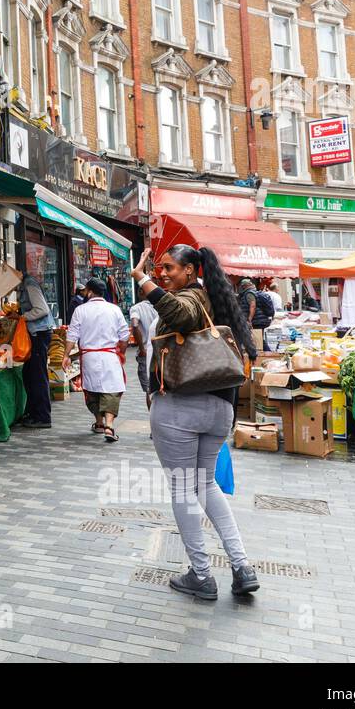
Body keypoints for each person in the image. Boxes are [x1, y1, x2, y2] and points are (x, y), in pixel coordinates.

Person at [130, 245, 260, 601]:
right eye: (159, 270)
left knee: (183, 491)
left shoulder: (191, 297)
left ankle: (201, 574)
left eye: (169, 268)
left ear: (190, 271)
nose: (163, 274)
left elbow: (182, 315)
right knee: (206, 486)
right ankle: (241, 566)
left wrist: (141, 278)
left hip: (180, 409)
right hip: (219, 410)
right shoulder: (218, 298)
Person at [68, 278, 130, 442]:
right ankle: (109, 426)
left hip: (89, 356)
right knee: (112, 389)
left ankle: (99, 422)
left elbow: (72, 335)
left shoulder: (80, 310)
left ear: (89, 291)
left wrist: (66, 355)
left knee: (92, 390)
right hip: (110, 355)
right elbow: (125, 335)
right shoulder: (114, 309)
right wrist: (121, 352)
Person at [16, 271, 55, 429]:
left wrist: (23, 317)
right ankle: (33, 412)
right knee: (29, 375)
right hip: (35, 334)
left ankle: (43, 416)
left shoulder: (30, 284)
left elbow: (42, 309)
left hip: (39, 334)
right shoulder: (24, 285)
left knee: (38, 376)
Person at [129, 294, 160, 400]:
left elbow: (134, 324)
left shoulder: (136, 308)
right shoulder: (161, 305)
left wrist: (142, 348)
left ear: (141, 292)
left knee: (149, 390)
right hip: (162, 350)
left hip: (147, 352)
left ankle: (152, 415)